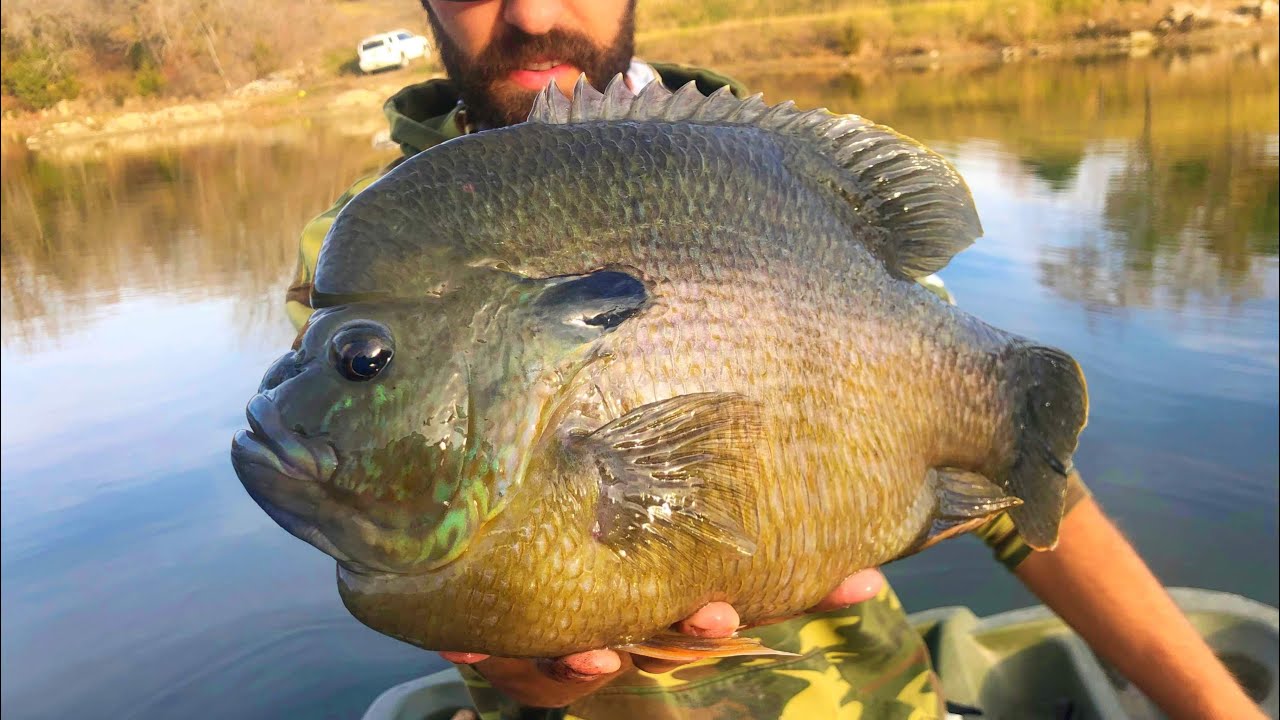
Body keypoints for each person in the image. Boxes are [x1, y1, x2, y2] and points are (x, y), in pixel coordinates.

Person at [284, 1, 1264, 718]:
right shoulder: (353, 244)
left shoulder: (755, 168)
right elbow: (383, 507)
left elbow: (1004, 465)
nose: (533, 10)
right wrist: (513, 656)